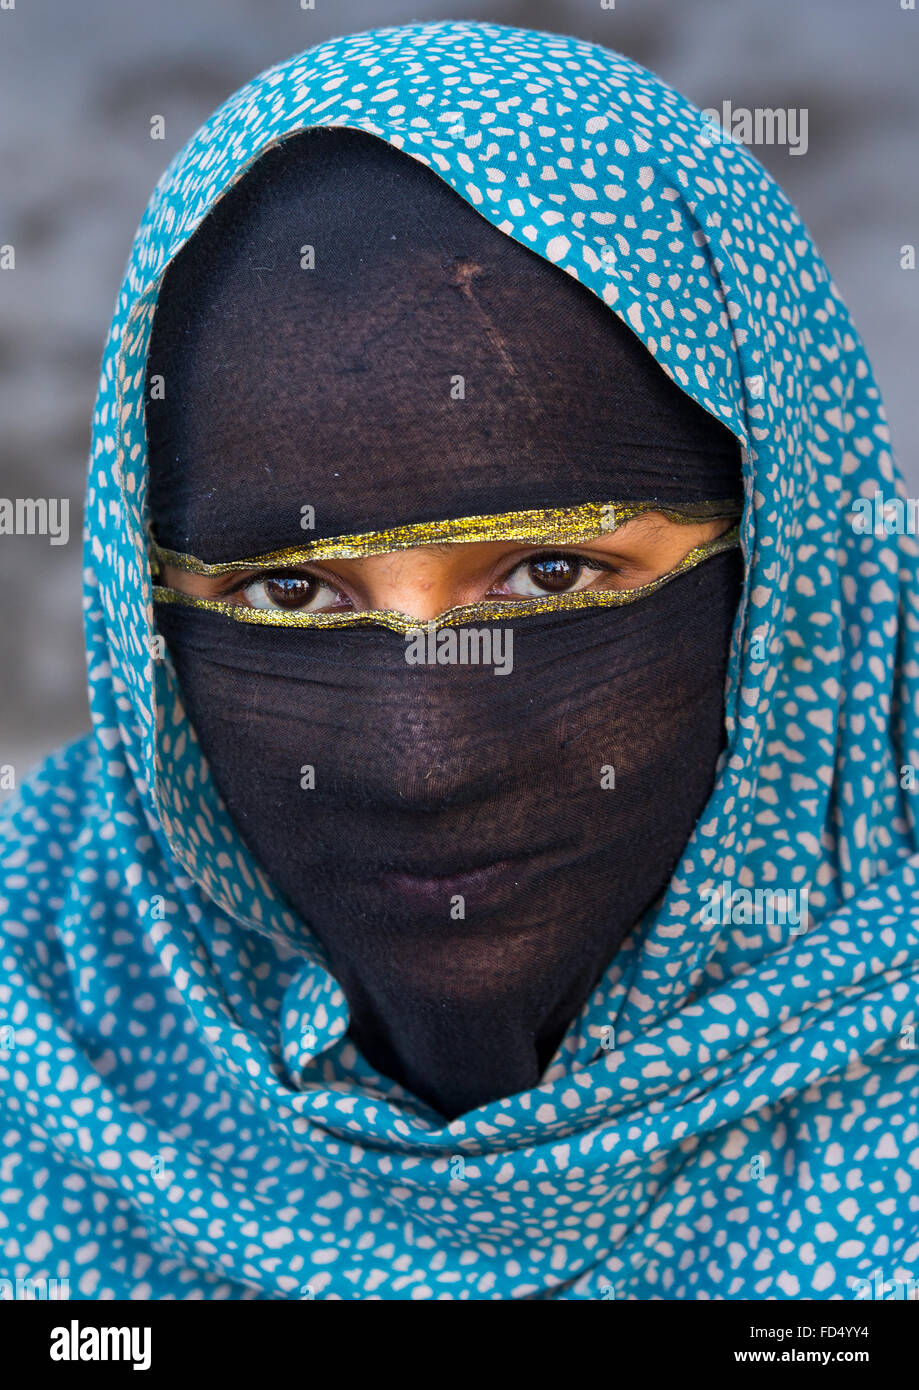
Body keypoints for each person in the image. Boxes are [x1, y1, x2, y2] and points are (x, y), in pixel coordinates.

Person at [1, 19, 917, 1301]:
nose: (425, 761)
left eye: (551, 573)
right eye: (291, 589)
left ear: (788, 566)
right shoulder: (37, 1010)